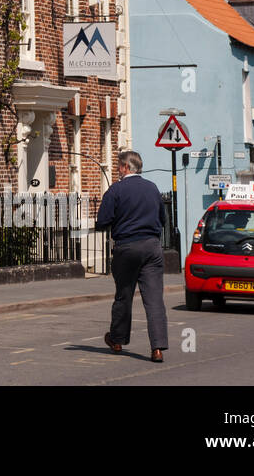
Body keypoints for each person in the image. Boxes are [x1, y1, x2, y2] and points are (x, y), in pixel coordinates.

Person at [95, 149, 169, 363]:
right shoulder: (153, 188)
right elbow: (162, 219)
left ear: (126, 167)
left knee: (124, 296)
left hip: (127, 247)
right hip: (152, 247)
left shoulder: (116, 190)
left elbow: (102, 222)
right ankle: (157, 348)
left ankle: (117, 340)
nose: (117, 170)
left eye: (119, 166)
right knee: (154, 299)